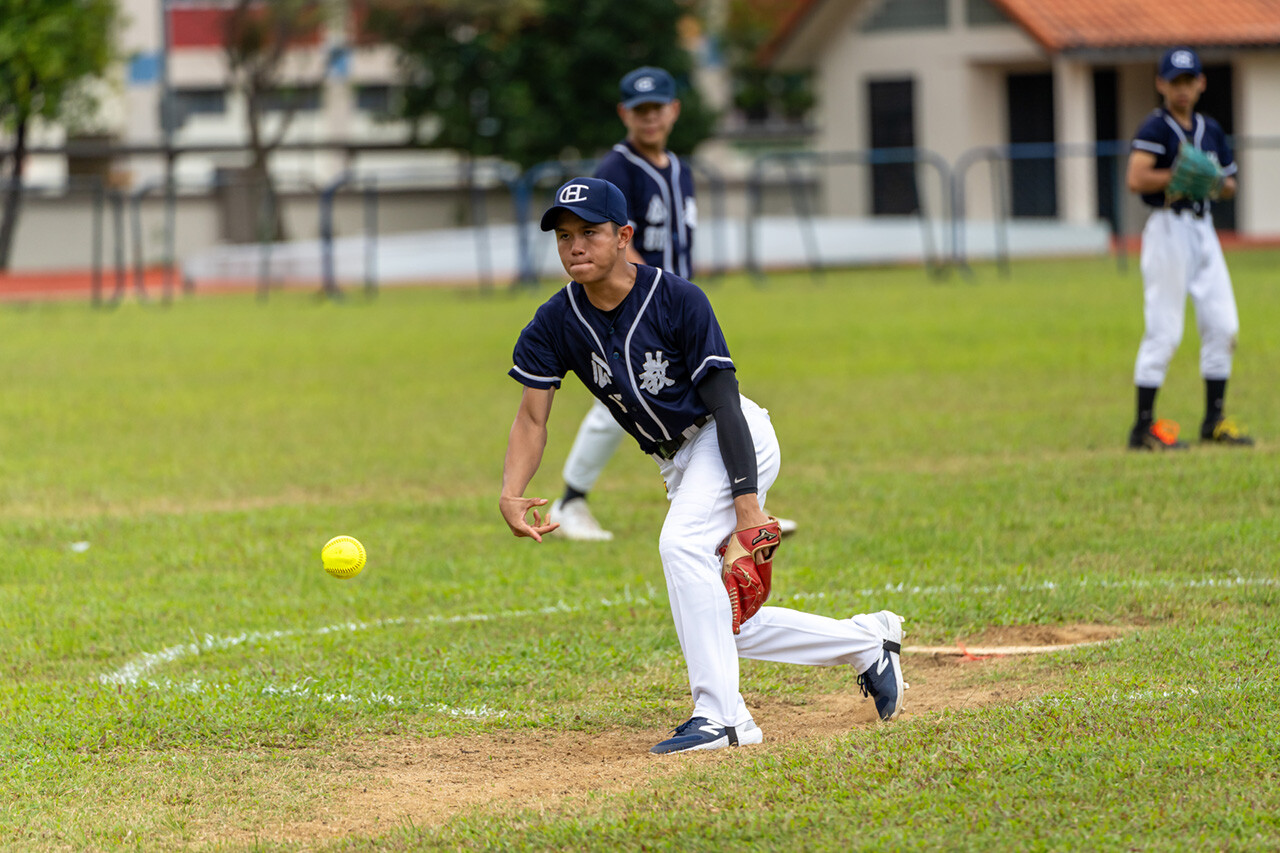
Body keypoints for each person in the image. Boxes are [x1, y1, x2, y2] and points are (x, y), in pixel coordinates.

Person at [500, 176, 905, 754]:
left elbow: (724, 402)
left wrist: (748, 504)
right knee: (720, 620)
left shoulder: (677, 299)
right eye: (564, 236)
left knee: (680, 547)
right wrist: (512, 490)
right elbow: (532, 418)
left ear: (624, 236)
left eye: (589, 232)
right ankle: (869, 642)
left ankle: (725, 718)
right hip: (680, 461)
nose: (575, 246)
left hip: (732, 435)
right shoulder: (555, 322)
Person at [547, 66, 798, 539]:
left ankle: (742, 502)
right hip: (634, 306)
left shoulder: (679, 168)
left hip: (672, 308)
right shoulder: (617, 169)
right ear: (624, 114)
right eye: (639, 110)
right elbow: (614, 243)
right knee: (620, 401)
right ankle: (571, 502)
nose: (650, 118)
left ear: (674, 110)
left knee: (702, 399)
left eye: (657, 108)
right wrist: (648, 293)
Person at [1125, 47, 1253, 450]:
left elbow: (1230, 184)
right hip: (1168, 228)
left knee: (1224, 325)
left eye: (1189, 80)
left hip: (1203, 228)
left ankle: (1213, 419)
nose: (1182, 88)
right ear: (1161, 84)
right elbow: (1136, 177)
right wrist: (1175, 176)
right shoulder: (1157, 126)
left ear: (1201, 83)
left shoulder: (1210, 129)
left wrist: (1211, 180)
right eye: (1174, 81)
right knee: (1164, 330)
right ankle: (1143, 428)